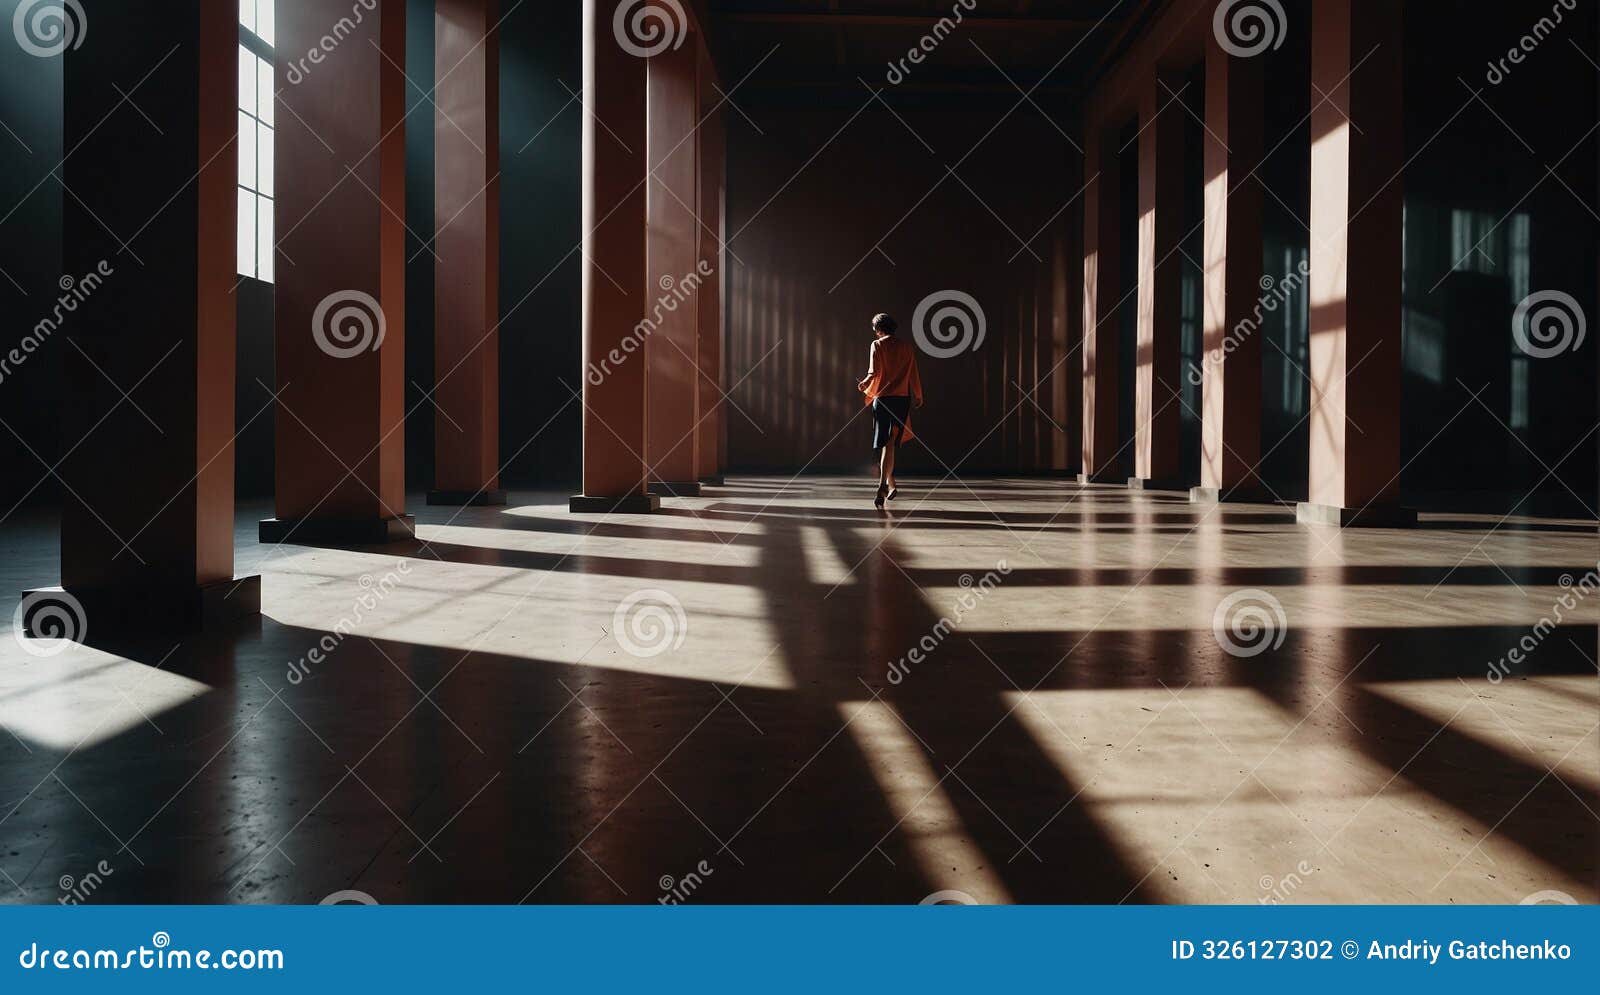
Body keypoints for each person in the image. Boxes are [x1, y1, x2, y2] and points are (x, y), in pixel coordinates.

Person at [856, 312, 924, 509]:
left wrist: (864, 385)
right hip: (902, 400)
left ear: (878, 330)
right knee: (891, 443)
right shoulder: (906, 347)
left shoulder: (877, 345)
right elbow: (913, 372)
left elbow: (873, 372)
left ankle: (882, 487)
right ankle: (889, 484)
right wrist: (919, 395)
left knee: (884, 444)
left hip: (883, 400)